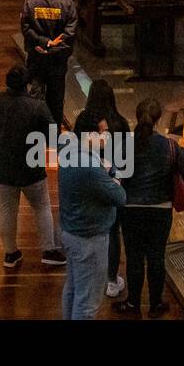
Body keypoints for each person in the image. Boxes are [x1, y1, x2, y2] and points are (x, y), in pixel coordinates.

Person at [0, 65, 65, 269]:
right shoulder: (37, 106)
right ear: (28, 85)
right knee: (41, 206)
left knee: (7, 209)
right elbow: (53, 138)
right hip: (31, 167)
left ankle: (10, 253)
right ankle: (49, 250)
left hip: (0, 167)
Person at [114, 98, 184, 318]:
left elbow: (116, 173)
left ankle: (133, 304)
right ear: (159, 119)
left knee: (134, 258)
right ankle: (156, 304)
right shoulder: (170, 145)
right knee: (157, 257)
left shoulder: (126, 145)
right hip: (160, 210)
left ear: (137, 116)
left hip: (130, 209)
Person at [58, 127, 126, 320]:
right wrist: (115, 176)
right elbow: (120, 197)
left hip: (70, 233)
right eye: (99, 134)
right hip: (90, 241)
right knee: (87, 303)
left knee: (72, 289)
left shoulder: (67, 153)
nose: (103, 137)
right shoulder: (90, 167)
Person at [72, 80, 131, 298]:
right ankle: (112, 280)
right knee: (113, 233)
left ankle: (87, 274)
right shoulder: (121, 123)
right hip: (113, 183)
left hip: (87, 181)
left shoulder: (82, 121)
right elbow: (126, 158)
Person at [21, 0, 77, 126]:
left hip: (36, 55)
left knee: (35, 92)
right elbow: (69, 33)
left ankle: (33, 130)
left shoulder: (30, 1)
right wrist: (52, 48)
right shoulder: (68, 4)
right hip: (58, 59)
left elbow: (26, 29)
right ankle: (54, 135)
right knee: (56, 96)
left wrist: (42, 44)